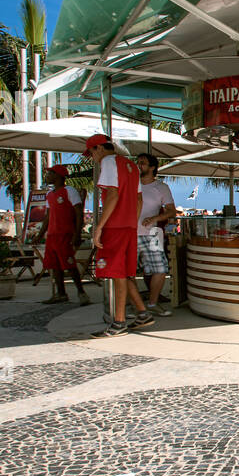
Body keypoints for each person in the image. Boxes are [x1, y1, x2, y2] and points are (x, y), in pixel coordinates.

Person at [86, 133, 151, 336]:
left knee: (116, 274)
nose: (91, 158)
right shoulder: (130, 166)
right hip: (129, 227)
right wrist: (132, 221)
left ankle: (119, 322)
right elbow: (139, 200)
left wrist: (99, 227)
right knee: (124, 273)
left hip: (115, 226)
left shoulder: (108, 162)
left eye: (90, 153)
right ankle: (142, 313)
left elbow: (112, 195)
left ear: (99, 148)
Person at [36, 163, 89, 305]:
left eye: (50, 174)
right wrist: (41, 234)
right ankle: (61, 293)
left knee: (69, 264)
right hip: (52, 235)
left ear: (58, 176)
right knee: (54, 266)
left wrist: (77, 234)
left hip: (65, 233)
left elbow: (78, 212)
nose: (47, 177)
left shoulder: (69, 191)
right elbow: (48, 216)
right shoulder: (50, 194)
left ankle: (81, 292)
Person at [132, 153, 176, 316]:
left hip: (153, 232)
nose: (139, 165)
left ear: (152, 168)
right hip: (130, 233)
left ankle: (152, 303)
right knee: (128, 271)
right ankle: (134, 305)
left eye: (142, 163)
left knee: (160, 269)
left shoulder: (161, 187)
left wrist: (155, 218)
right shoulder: (131, 184)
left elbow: (172, 211)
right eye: (138, 162)